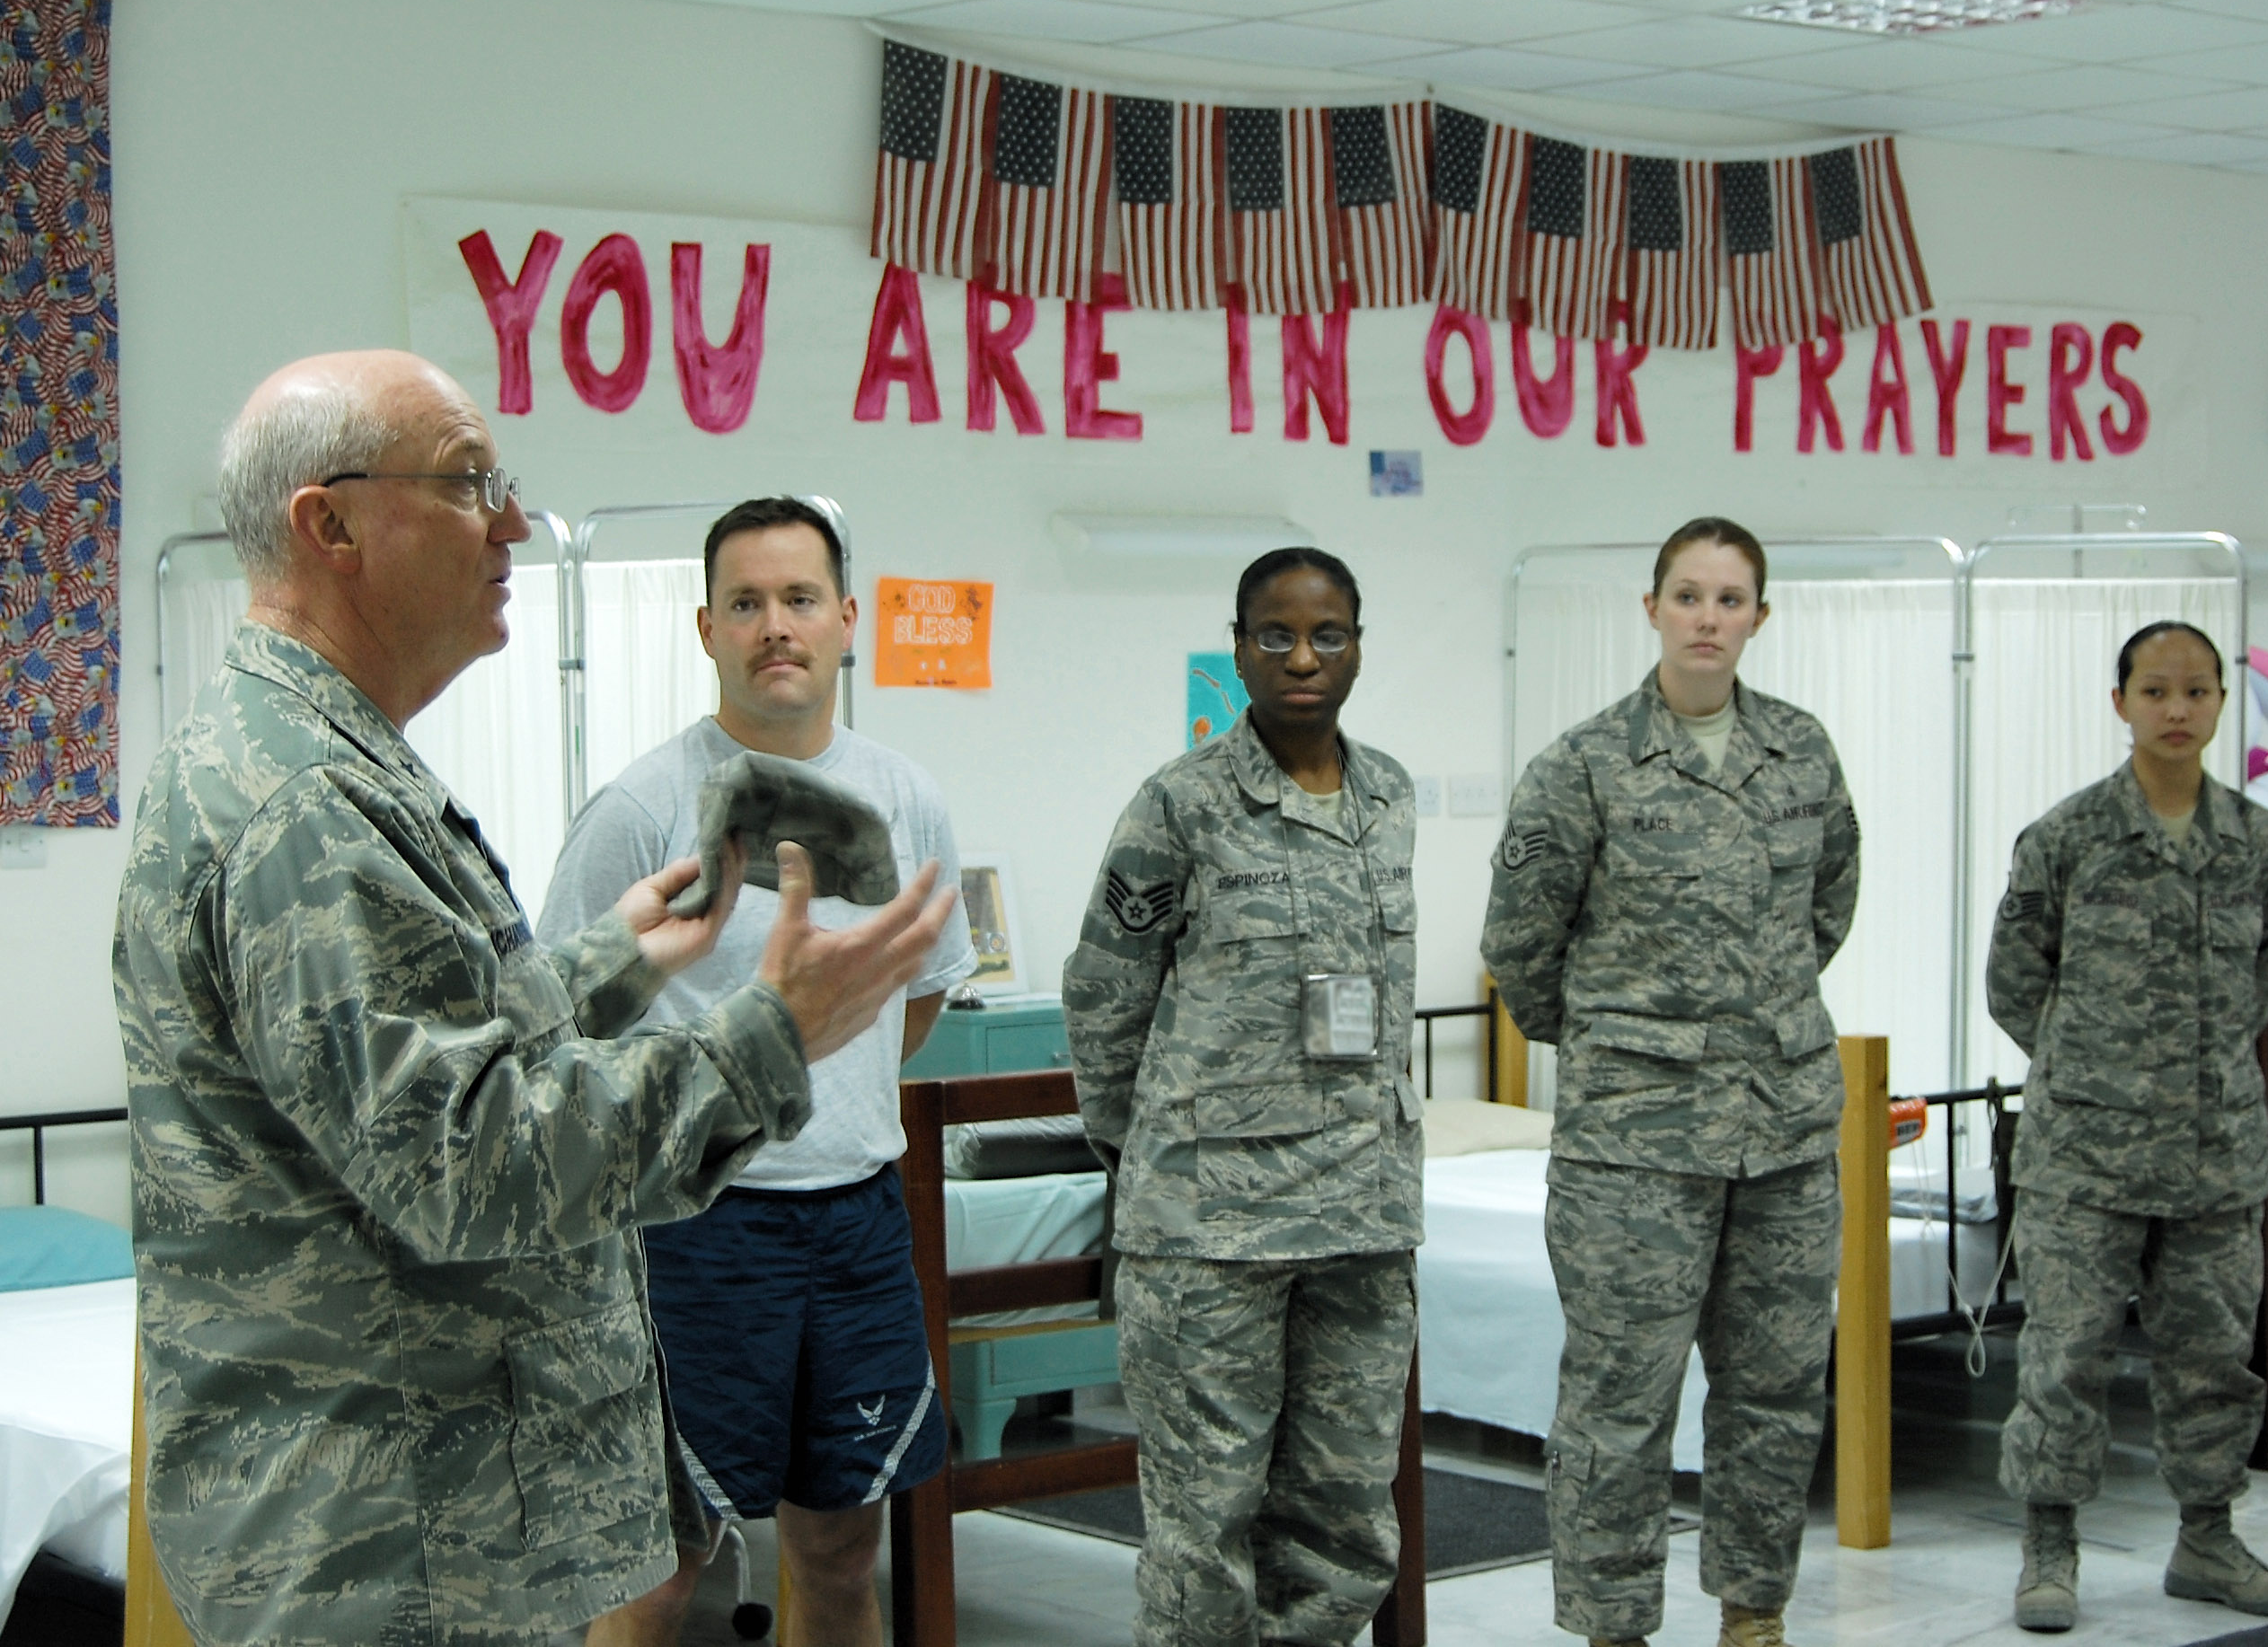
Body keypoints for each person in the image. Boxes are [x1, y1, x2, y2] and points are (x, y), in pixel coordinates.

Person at [111, 351, 953, 1647]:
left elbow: (422, 1053)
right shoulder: (304, 809)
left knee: (839, 1542)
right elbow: (458, 1160)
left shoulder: (327, 762)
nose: (511, 521)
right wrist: (764, 1040)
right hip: (383, 1536)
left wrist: (603, 968)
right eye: (466, 485)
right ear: (328, 524)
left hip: (422, 1506)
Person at [538, 497, 976, 1647]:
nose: (773, 626)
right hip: (693, 1227)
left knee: (840, 1547)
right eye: (745, 604)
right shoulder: (642, 808)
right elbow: (562, 1014)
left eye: (796, 600)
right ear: (705, 629)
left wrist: (826, 1101)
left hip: (857, 1225)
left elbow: (914, 1000)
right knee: (659, 1559)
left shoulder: (907, 796)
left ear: (844, 621)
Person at [1479, 517, 1858, 1647]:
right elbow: (1520, 950)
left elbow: (1825, 908)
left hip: (1783, 1136)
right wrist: (1626, 1051)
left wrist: (1754, 1023)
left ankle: (1753, 1615)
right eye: (1687, 596)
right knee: (1618, 1405)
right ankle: (1611, 1628)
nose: (1707, 619)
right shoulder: (1582, 765)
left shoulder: (1800, 751)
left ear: (1757, 617)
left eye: (1729, 599)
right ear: (1648, 609)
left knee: (1777, 1395)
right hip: (1632, 1148)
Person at [1063, 547, 1420, 1647]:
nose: (1302, 657)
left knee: (1346, 1520)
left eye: (1327, 635)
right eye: (1275, 635)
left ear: (1358, 645)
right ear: (1238, 649)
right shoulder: (1180, 804)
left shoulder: (1389, 793)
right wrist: (1152, 1160)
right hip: (1210, 1230)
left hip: (1360, 1215)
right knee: (1203, 1524)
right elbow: (1104, 999)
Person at [1987, 621, 2268, 1634]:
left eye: (2197, 692)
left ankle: (2205, 1538)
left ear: (2218, 704)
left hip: (2215, 1155)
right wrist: (2098, 1070)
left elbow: (2262, 973)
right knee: (2065, 1356)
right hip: (2085, 1158)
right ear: (2117, 703)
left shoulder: (2253, 838)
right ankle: (2048, 1546)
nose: (2176, 710)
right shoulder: (2066, 837)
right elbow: (2011, 983)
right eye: (2155, 691)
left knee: (2213, 1355)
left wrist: (2192, 1074)